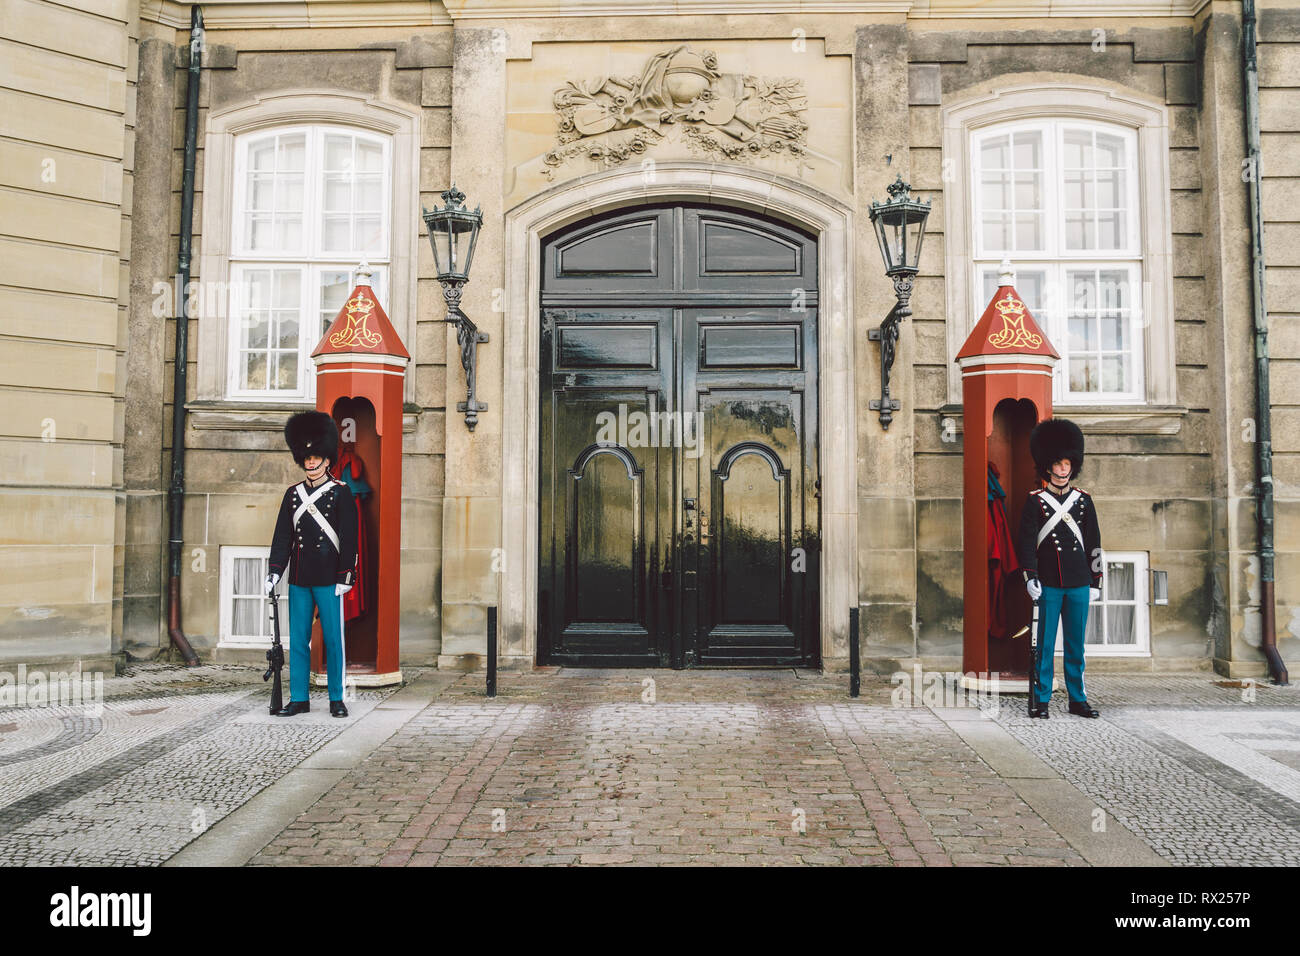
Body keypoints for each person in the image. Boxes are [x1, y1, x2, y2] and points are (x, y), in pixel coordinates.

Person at [264, 411, 357, 717]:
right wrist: (275, 571)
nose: (311, 462)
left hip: (330, 577)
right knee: (299, 641)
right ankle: (299, 698)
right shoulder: (293, 495)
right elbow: (282, 537)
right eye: (307, 456)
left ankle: (336, 698)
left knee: (333, 639)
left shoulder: (341, 494)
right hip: (301, 577)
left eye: (316, 456)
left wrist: (347, 573)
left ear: (327, 459)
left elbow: (349, 537)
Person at [1016, 418, 1103, 719]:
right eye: (1058, 463)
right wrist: (1030, 577)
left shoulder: (1084, 501)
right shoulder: (1035, 502)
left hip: (1079, 582)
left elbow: (1093, 542)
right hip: (1049, 583)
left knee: (1075, 647)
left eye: (1068, 463)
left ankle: (1077, 699)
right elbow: (1026, 543)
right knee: (1044, 647)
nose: (1064, 468)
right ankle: (1041, 700)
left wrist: (1096, 582)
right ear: (1048, 466)